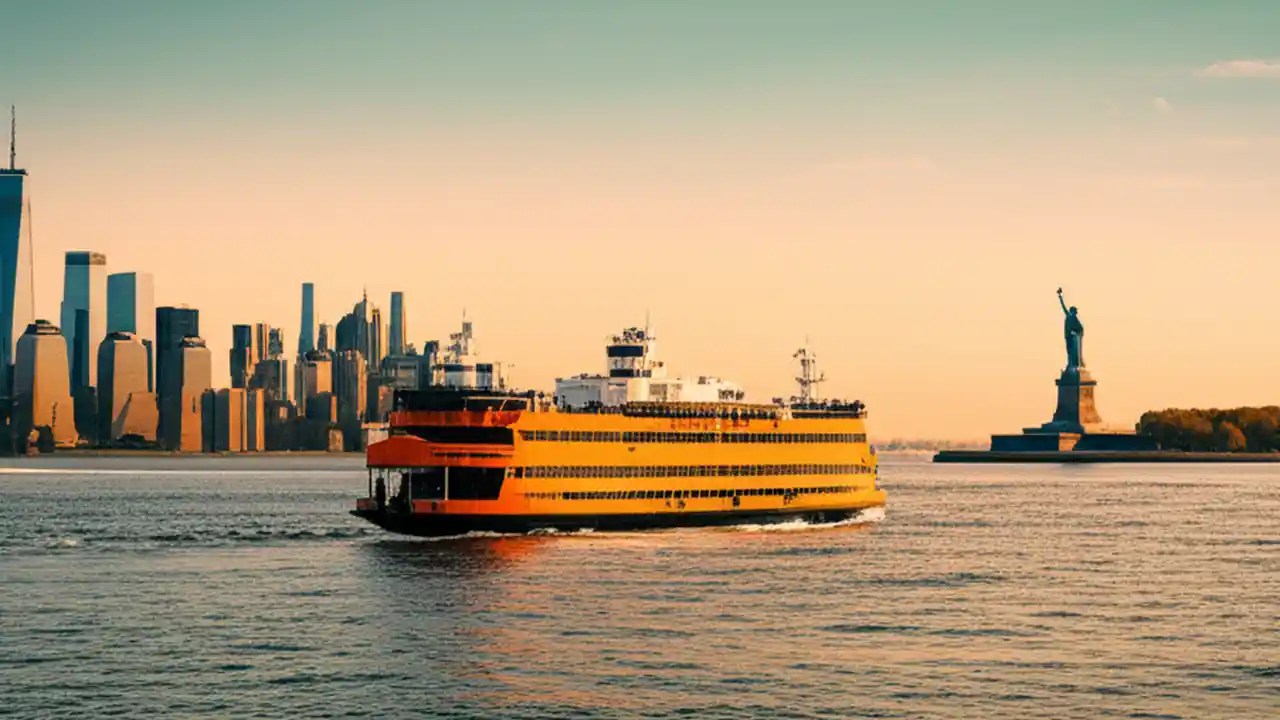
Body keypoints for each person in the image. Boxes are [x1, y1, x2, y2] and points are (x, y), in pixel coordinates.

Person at [1057, 288, 1085, 369]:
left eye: (1075, 313)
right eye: (1074, 312)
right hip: (1067, 336)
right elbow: (1063, 306)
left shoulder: (1075, 319)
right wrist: (1060, 296)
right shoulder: (1068, 315)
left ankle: (1073, 365)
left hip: (1072, 337)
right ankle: (1070, 365)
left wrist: (1076, 333)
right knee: (1069, 351)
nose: (1074, 314)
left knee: (1072, 351)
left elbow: (1080, 328)